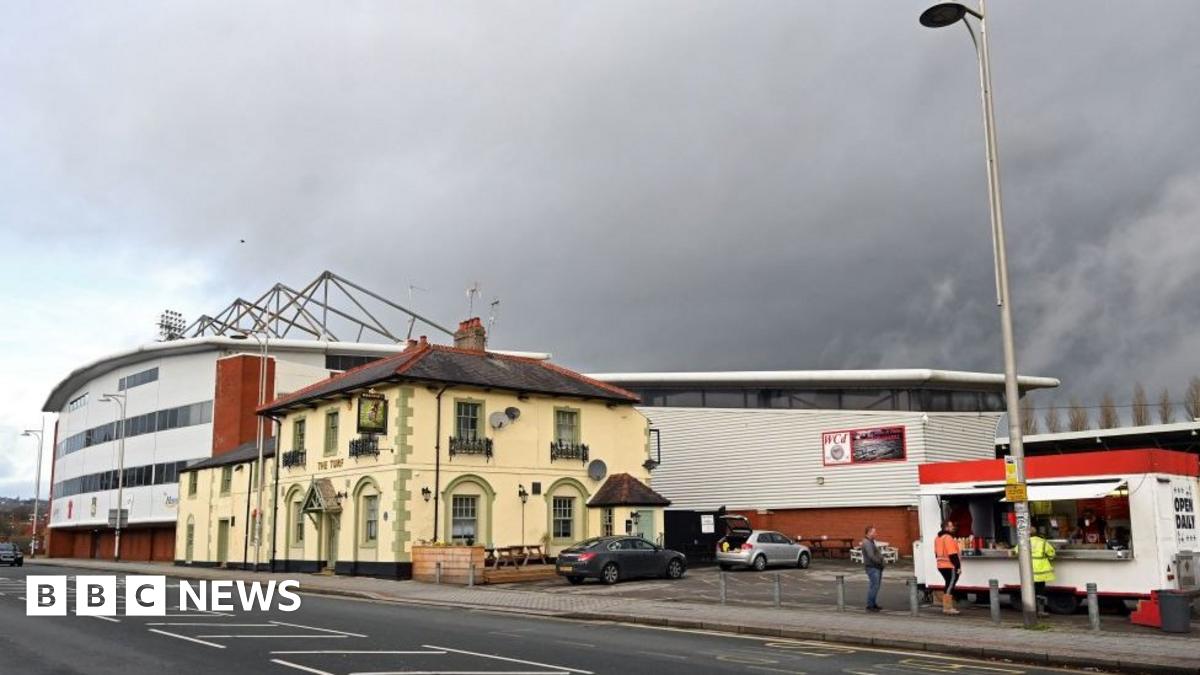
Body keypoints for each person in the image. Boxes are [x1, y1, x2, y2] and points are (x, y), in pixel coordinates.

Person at [1018, 526, 1057, 614]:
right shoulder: (1043, 542)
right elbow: (1052, 554)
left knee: (1030, 590)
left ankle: (1030, 610)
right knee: (1040, 591)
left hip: (1028, 571)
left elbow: (1016, 551)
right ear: (1037, 533)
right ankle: (1041, 610)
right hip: (1041, 572)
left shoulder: (1024, 542)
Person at [934, 519, 962, 615]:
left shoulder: (937, 538)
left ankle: (947, 607)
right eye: (951, 526)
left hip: (941, 565)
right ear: (946, 527)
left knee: (948, 584)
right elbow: (952, 554)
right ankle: (947, 608)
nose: (953, 527)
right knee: (950, 586)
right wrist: (958, 567)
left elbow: (936, 553)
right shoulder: (948, 538)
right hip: (950, 566)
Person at [861, 525, 885, 612]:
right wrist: (879, 562)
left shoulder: (870, 541)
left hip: (875, 567)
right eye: (874, 532)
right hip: (873, 567)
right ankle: (870, 605)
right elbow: (871, 555)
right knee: (874, 586)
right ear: (869, 532)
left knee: (875, 586)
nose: (876, 534)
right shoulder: (867, 543)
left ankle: (873, 604)